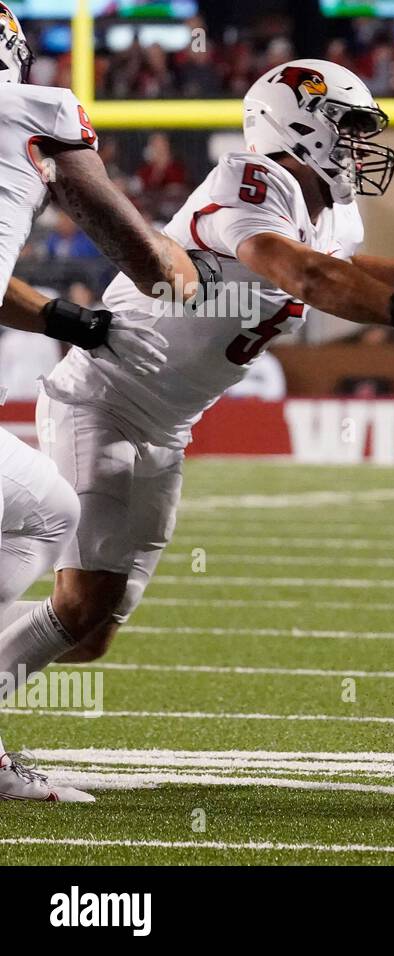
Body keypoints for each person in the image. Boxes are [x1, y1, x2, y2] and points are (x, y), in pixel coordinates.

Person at [33, 60, 394, 678]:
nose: (362, 144)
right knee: (80, 604)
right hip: (104, 398)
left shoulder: (334, 214)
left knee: (93, 631)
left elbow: (347, 268)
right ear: (299, 125)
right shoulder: (250, 181)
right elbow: (305, 273)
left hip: (168, 427)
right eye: (350, 125)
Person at [0, 2, 215, 802]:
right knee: (45, 513)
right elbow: (119, 233)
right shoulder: (36, 108)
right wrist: (166, 262)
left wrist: (65, 318)